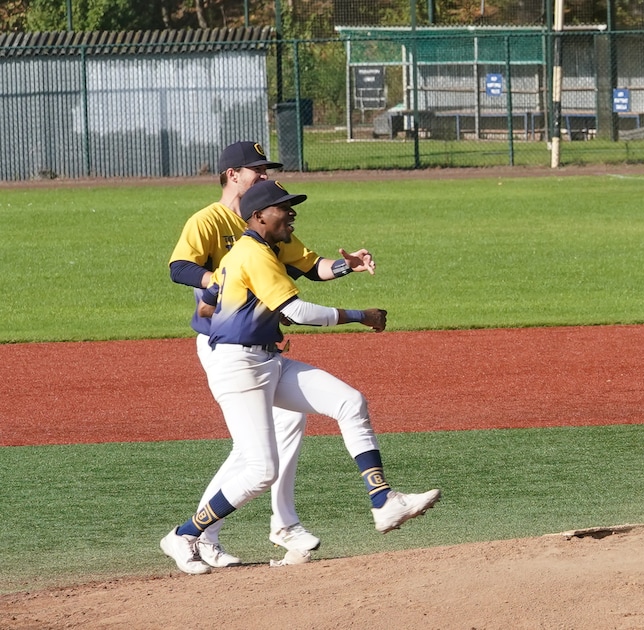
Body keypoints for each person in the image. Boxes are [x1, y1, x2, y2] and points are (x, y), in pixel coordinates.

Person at [160, 179, 441, 575]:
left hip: (265, 360)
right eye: (283, 208)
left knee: (349, 401)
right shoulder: (253, 254)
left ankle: (383, 502)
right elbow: (298, 312)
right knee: (260, 468)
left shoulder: (256, 250)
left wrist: (233, 314)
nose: (292, 213)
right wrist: (360, 316)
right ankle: (184, 535)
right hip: (239, 368)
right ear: (259, 216)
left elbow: (209, 304)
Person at [169, 141, 377, 567]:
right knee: (255, 457)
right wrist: (223, 280)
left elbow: (310, 266)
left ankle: (281, 525)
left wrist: (347, 265)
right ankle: (199, 535)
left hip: (263, 344)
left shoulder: (268, 219)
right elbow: (179, 267)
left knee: (285, 429)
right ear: (233, 175)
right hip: (224, 344)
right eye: (257, 170)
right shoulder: (209, 220)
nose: (264, 176)